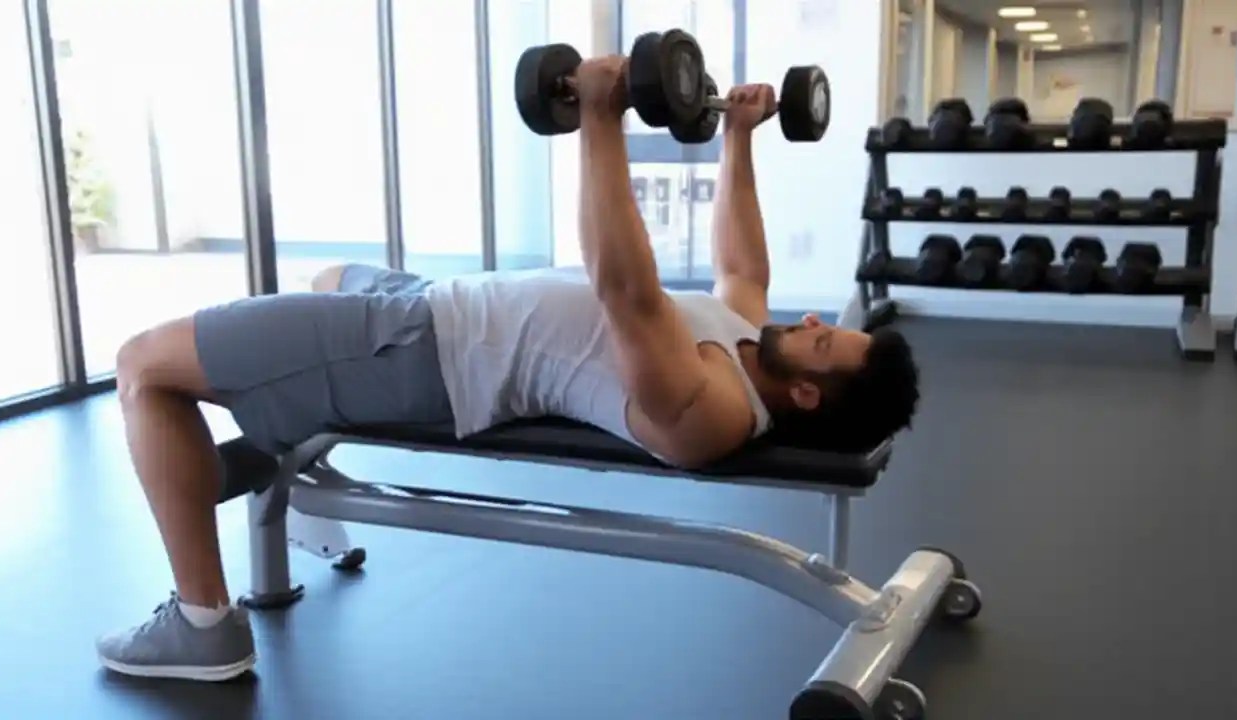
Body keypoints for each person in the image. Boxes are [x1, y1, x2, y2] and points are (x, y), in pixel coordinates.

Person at [96, 55, 920, 681]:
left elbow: (625, 289)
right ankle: (298, 475)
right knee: (328, 275)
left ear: (807, 392)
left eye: (824, 340)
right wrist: (737, 137)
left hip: (424, 353)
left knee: (144, 366)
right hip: (440, 308)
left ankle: (204, 624)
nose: (811, 321)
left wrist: (600, 119)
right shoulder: (751, 340)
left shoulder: (709, 409)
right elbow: (743, 263)